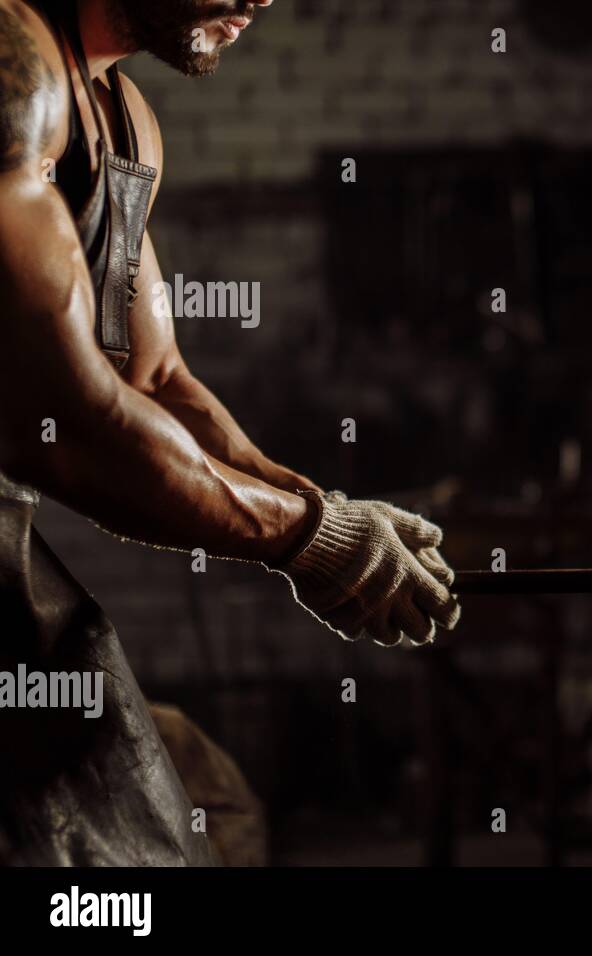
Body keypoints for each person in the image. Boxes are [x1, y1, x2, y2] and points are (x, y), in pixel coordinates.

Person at [0, 0, 460, 865]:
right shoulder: (10, 60)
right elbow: (64, 426)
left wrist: (324, 511)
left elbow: (155, 380)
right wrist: (311, 543)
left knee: (202, 800)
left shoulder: (124, 118)